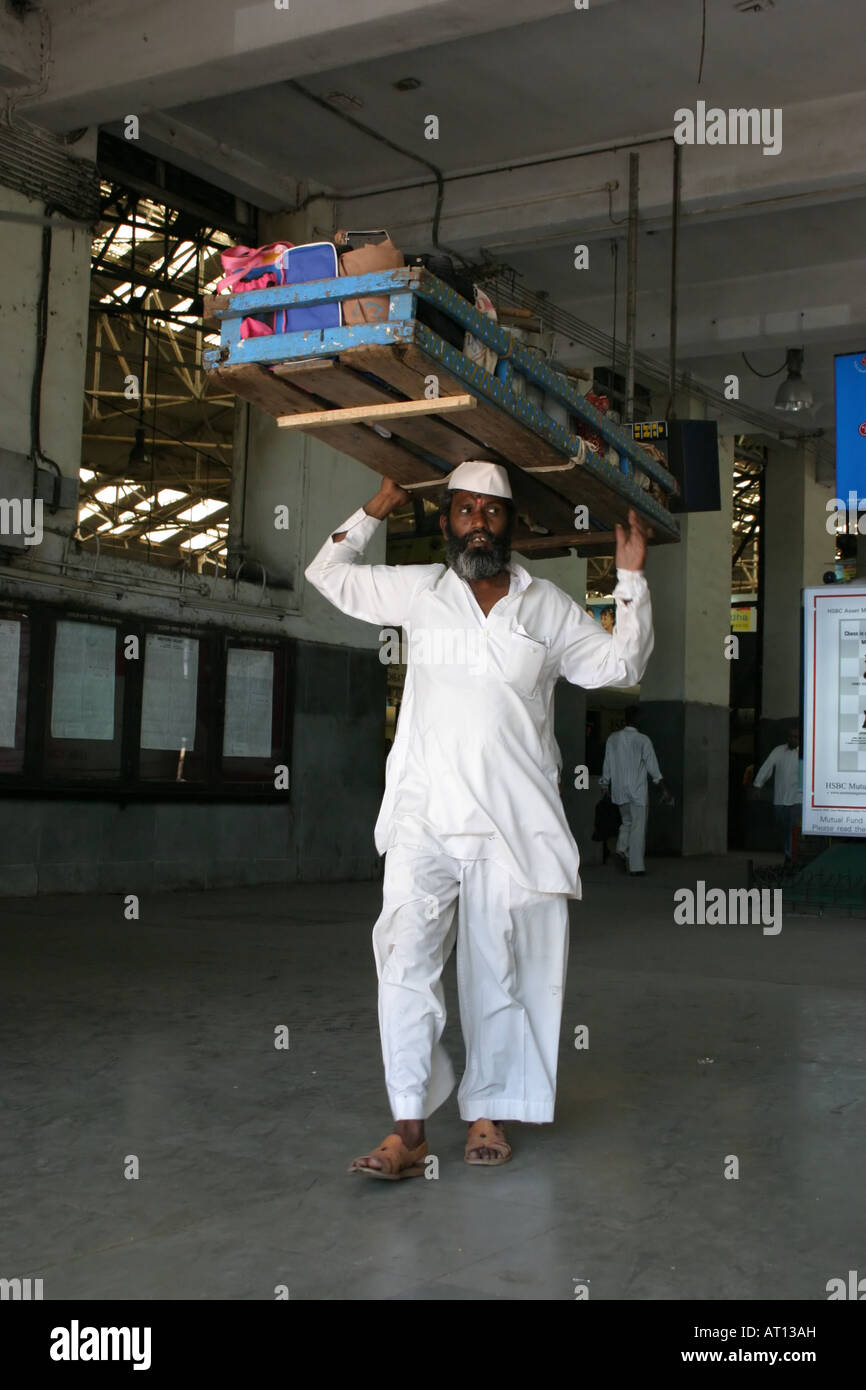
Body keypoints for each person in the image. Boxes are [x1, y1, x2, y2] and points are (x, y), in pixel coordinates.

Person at [305, 461, 655, 1177]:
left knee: (500, 972)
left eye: (492, 513)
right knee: (403, 960)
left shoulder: (547, 606)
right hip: (423, 813)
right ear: (445, 522)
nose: (478, 524)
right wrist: (375, 505)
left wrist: (631, 579)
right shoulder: (421, 591)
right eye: (465, 511)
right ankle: (408, 1127)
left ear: (510, 525)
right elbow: (330, 574)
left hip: (511, 820)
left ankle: (487, 1112)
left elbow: (620, 666)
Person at [599, 706, 673, 875]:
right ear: (638, 720)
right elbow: (653, 767)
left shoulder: (613, 739)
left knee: (627, 822)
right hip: (638, 791)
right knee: (638, 828)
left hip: (619, 791)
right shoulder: (643, 740)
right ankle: (636, 867)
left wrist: (604, 784)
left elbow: (607, 763)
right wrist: (664, 789)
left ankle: (620, 849)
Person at [751, 724, 802, 863]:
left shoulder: (805, 752)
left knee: (794, 830)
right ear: (787, 737)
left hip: (798, 800)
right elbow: (767, 766)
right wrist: (757, 785)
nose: (794, 739)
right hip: (780, 800)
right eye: (791, 737)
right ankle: (788, 854)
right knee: (783, 830)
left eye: (796, 737)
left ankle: (792, 859)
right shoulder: (778, 751)